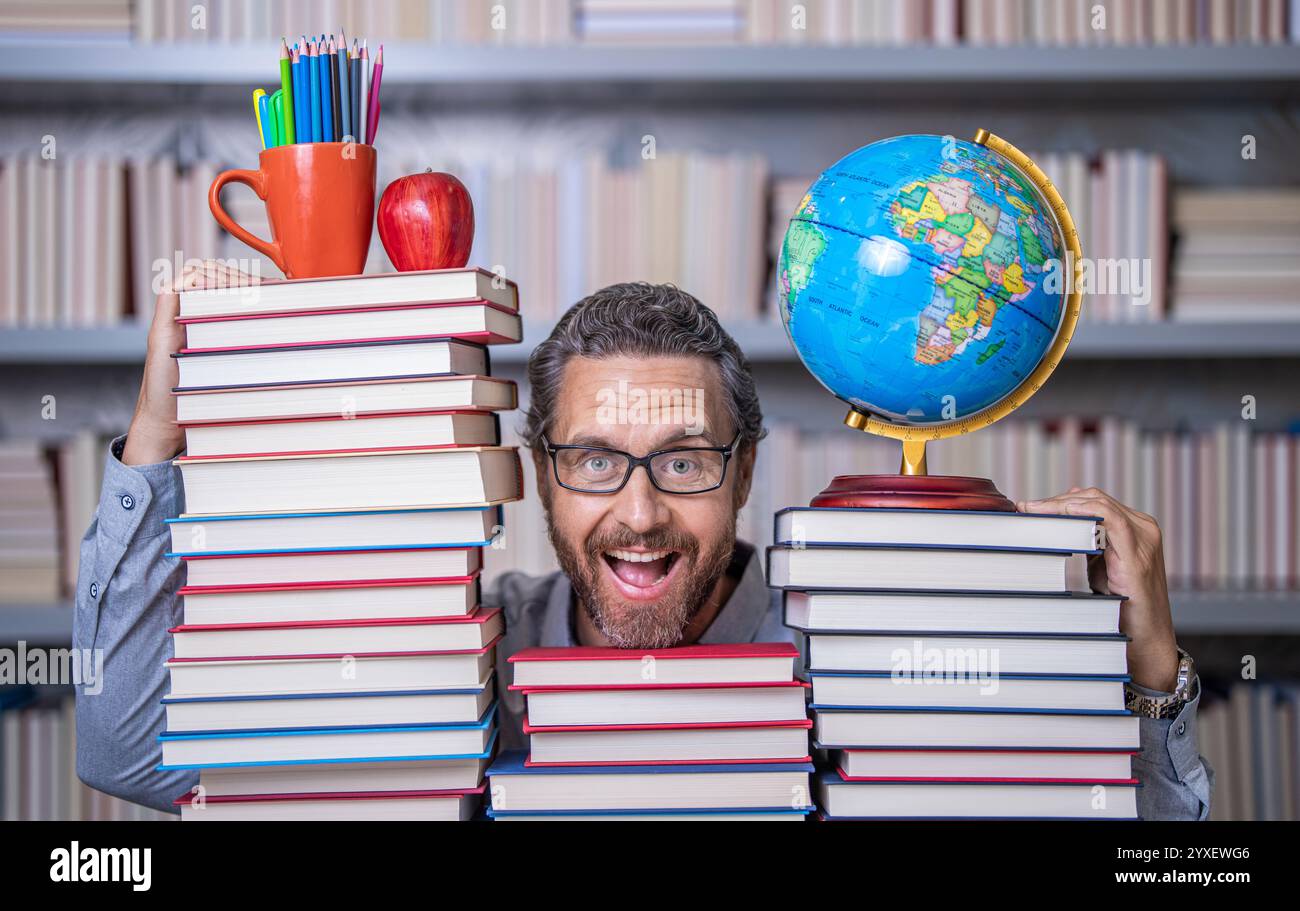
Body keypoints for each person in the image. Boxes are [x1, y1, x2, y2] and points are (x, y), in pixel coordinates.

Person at [74, 262, 1213, 819]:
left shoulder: (869, 654)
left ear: (746, 473)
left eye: (684, 459)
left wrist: (1152, 682)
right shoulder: (464, 653)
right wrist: (159, 441)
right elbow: (124, 752)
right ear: (535, 477)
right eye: (593, 461)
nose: (637, 512)